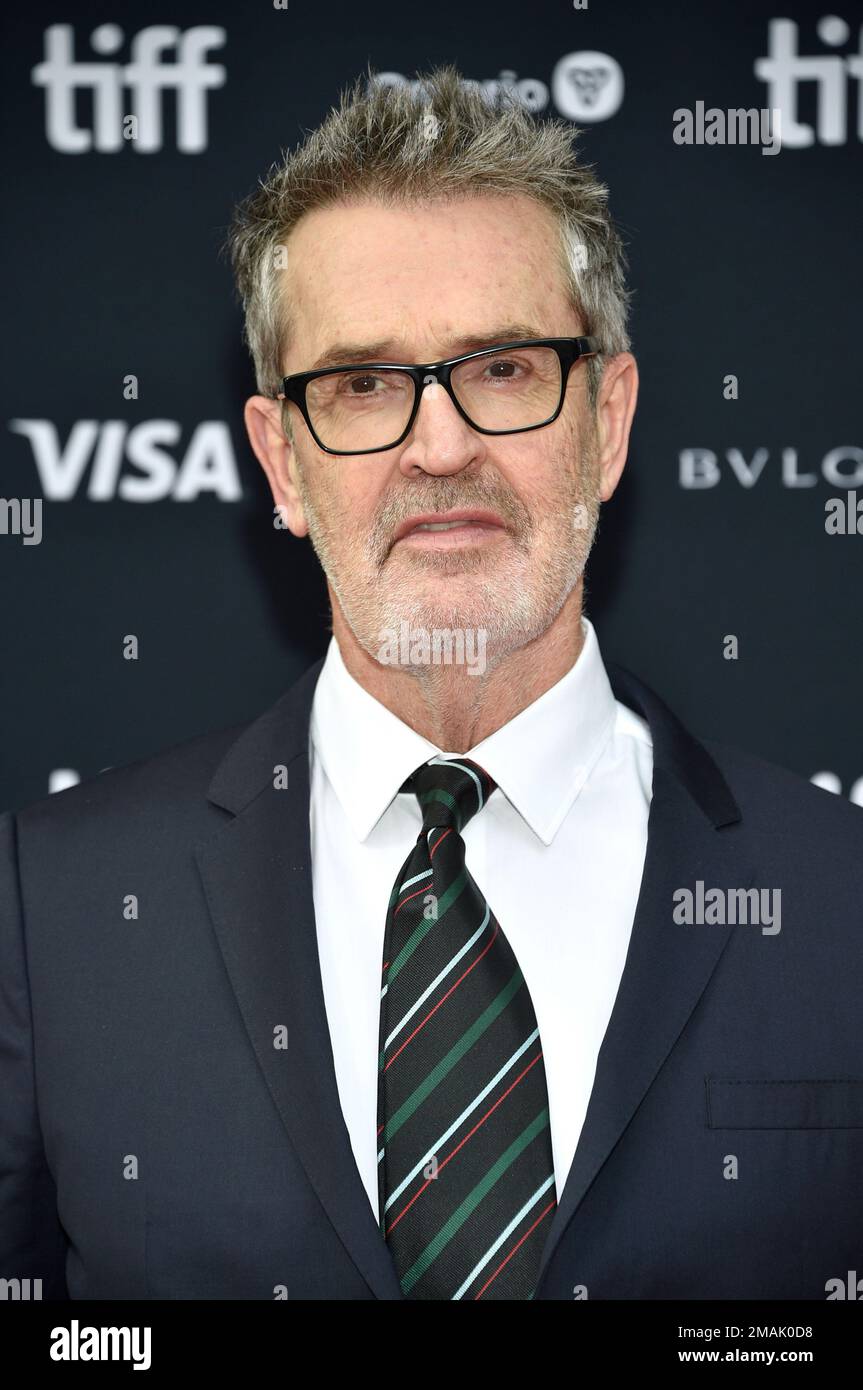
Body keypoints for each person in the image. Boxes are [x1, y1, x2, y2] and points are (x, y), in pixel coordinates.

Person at [2, 64, 861, 1303]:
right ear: (281, 465)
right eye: (360, 384)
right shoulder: (53, 910)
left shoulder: (836, 898)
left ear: (606, 424)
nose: (439, 443)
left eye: (503, 367)